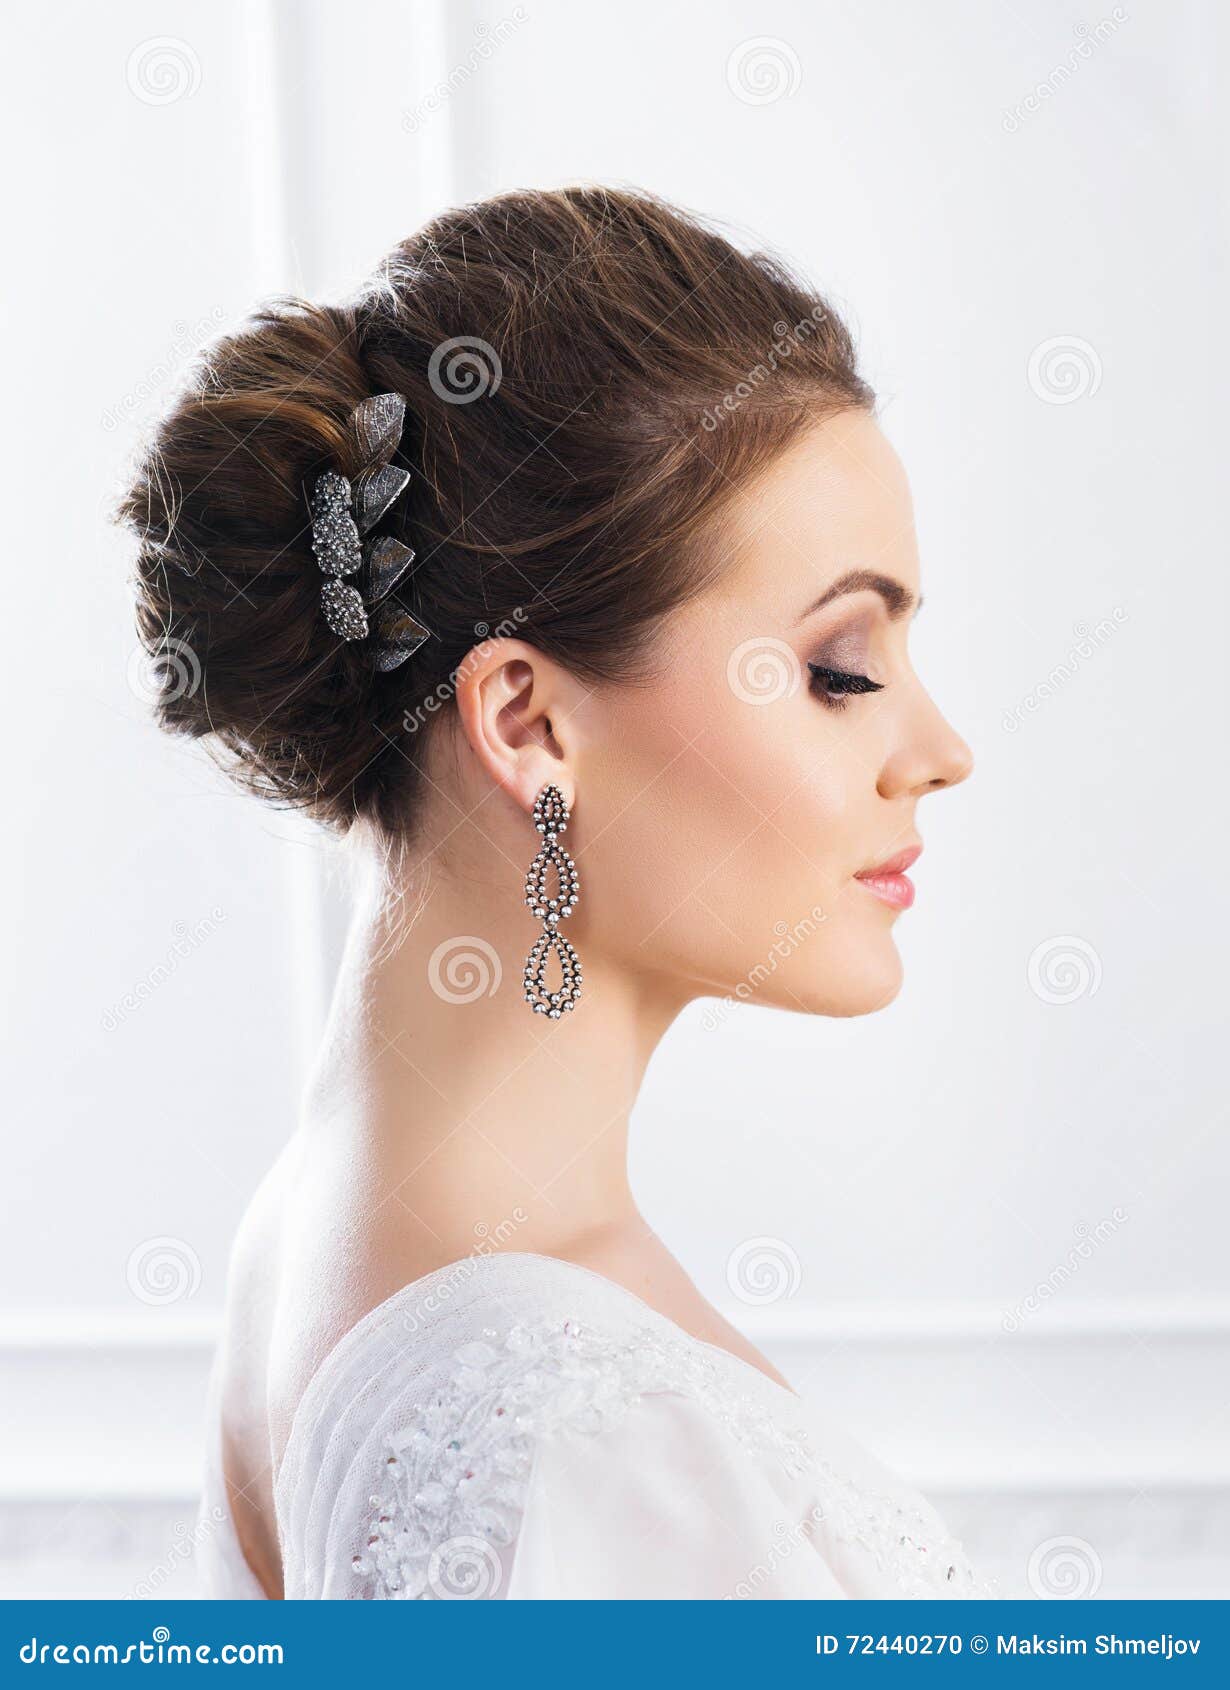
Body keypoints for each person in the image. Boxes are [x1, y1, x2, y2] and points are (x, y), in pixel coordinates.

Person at [118, 185, 982, 1599]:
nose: (937, 754)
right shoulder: (584, 1430)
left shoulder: (314, 1230)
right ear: (524, 722)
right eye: (839, 669)